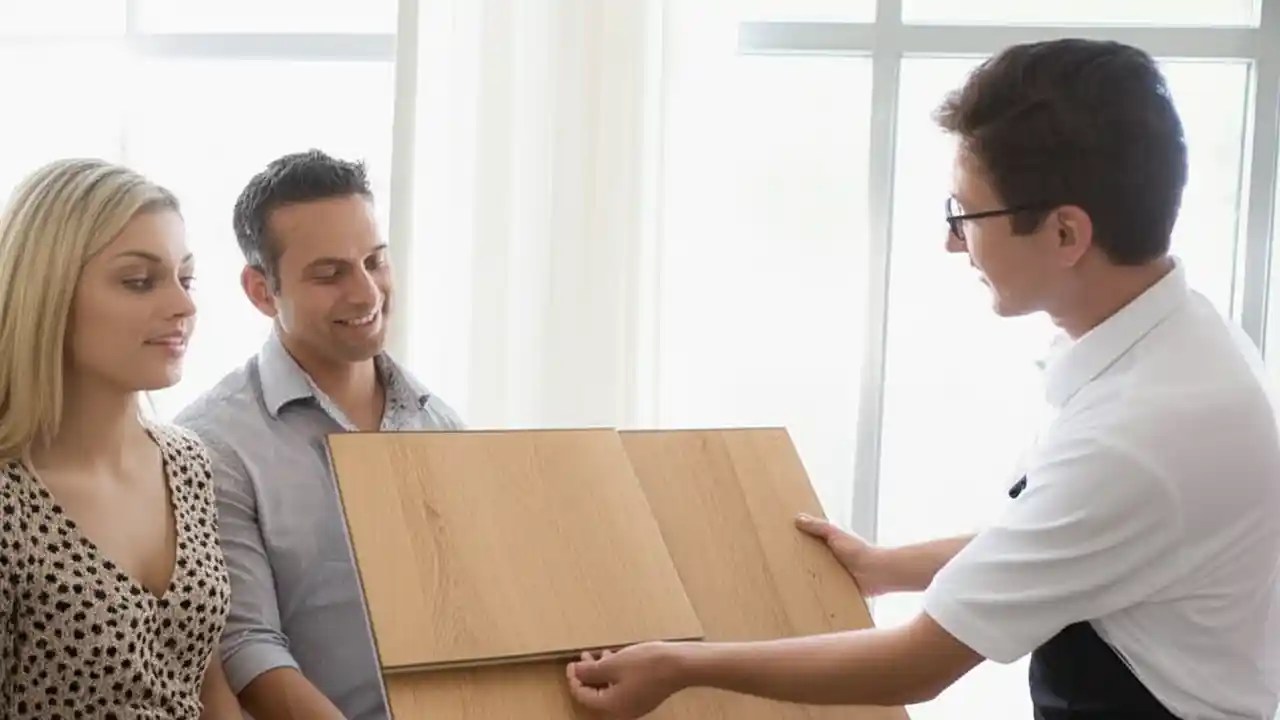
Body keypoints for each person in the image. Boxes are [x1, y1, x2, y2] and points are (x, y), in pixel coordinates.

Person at [566, 38, 1280, 720]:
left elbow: (916, 664)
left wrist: (686, 667)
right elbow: (1060, 535)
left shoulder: (1138, 438)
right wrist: (884, 568)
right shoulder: (1184, 339)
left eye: (964, 215)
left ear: (1066, 234)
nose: (950, 241)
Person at [175, 149, 464, 719]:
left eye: (375, 262)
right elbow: (246, 648)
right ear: (261, 292)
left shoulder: (441, 423)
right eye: (330, 274)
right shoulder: (210, 445)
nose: (366, 294)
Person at [0, 158, 242, 718]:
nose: (183, 305)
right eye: (140, 281)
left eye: (186, 278)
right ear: (48, 294)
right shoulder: (10, 497)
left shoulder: (187, 462)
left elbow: (207, 685)